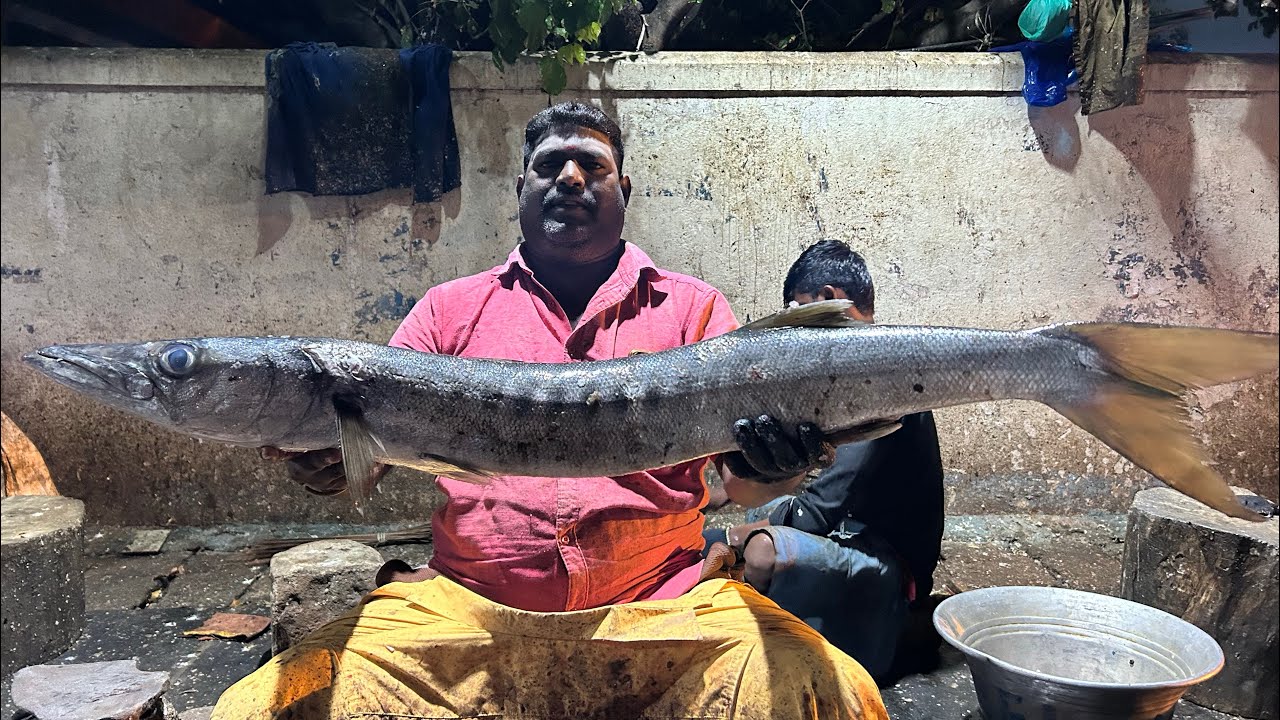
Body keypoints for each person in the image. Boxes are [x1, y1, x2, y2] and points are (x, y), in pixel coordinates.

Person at [212, 104, 888, 719]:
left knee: (832, 693)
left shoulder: (695, 310)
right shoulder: (448, 311)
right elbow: (363, 464)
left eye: (593, 165)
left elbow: (741, 487)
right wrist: (320, 462)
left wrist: (782, 467)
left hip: (666, 609)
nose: (570, 178)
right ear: (521, 193)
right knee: (265, 706)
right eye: (548, 166)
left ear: (624, 193)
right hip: (467, 610)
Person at [709, 239, 946, 687]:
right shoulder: (857, 367)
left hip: (890, 576)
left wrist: (735, 533)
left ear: (831, 301)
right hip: (855, 540)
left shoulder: (875, 373)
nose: (795, 334)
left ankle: (873, 644)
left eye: (799, 315)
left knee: (757, 550)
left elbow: (818, 511)